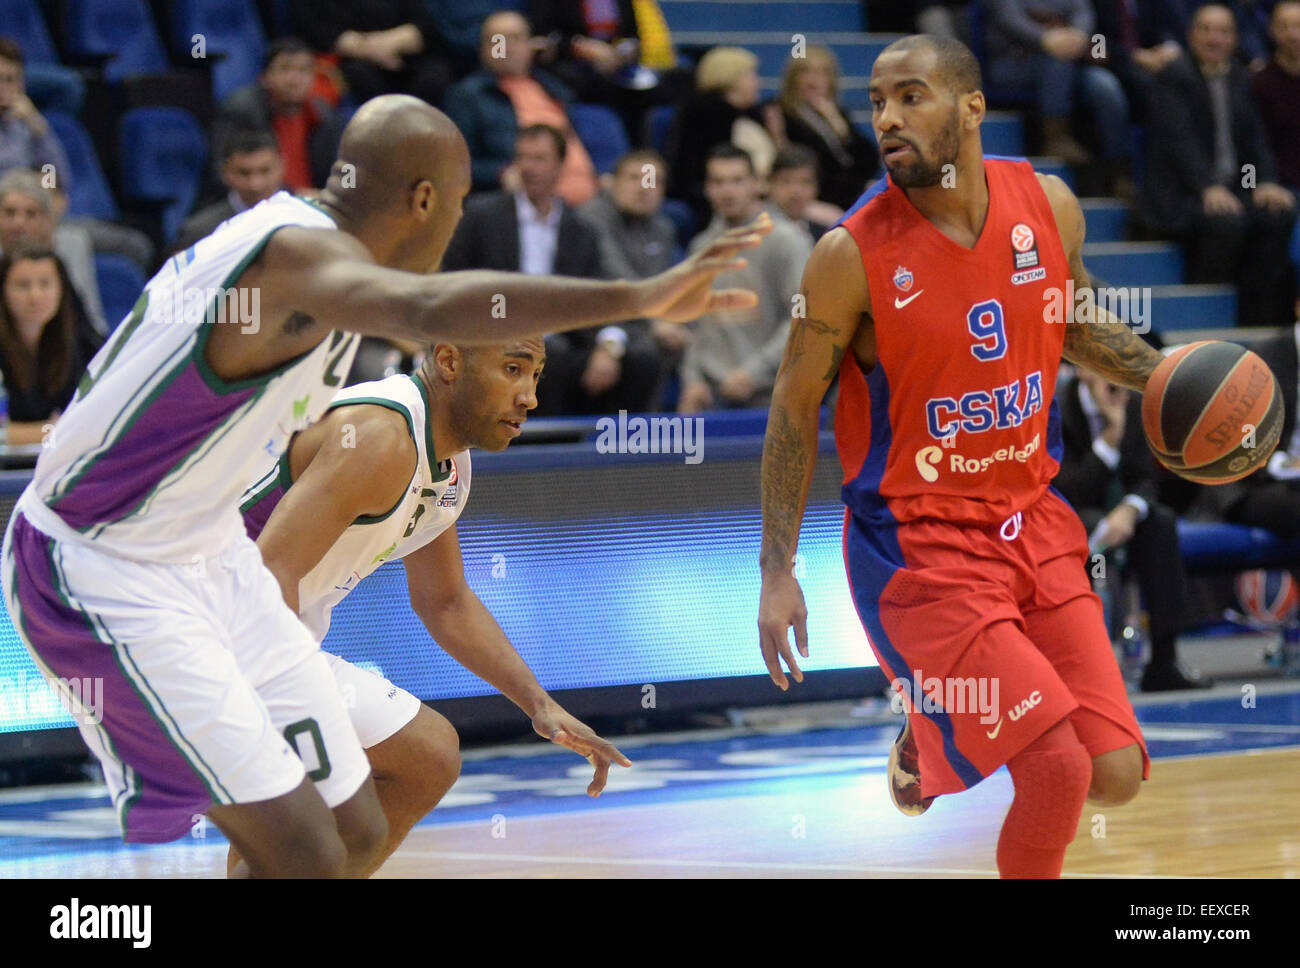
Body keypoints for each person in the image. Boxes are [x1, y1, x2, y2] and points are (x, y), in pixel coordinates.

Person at [0, 93, 771, 878]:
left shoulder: (320, 259)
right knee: (295, 848)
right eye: (463, 204)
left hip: (206, 559)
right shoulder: (298, 261)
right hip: (98, 559)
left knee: (357, 831)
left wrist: (536, 703)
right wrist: (636, 298)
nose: (461, 227)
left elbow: (443, 593)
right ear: (424, 199)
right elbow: (433, 307)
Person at [756, 36, 1155, 879]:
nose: (888, 119)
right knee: (1054, 767)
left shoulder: (1048, 204)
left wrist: (1163, 377)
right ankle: (940, 708)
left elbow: (1073, 319)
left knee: (1114, 775)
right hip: (919, 543)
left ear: (972, 107)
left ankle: (931, 726)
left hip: (1034, 517)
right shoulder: (848, 255)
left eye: (911, 97)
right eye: (876, 103)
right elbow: (793, 412)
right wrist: (776, 570)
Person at [232, 337, 625, 875]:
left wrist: (539, 703)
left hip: (257, 635)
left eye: (536, 374)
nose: (530, 396)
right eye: (513, 369)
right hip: (191, 630)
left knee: (426, 758)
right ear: (449, 361)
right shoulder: (379, 436)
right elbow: (268, 571)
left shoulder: (448, 466)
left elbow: (446, 601)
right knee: (313, 812)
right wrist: (278, 707)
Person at [442, 125, 660, 416]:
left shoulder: (580, 228)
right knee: (548, 355)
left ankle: (620, 454)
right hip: (497, 337)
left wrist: (608, 346)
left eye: (539, 159)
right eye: (523, 158)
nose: (529, 168)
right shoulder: (483, 216)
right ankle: (547, 454)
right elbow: (454, 282)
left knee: (642, 357)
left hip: (569, 340)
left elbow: (600, 295)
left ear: (560, 167)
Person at [1054, 367, 1209, 691]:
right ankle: (1083, 670)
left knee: (1161, 524)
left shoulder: (1134, 402)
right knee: (1084, 528)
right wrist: (1112, 433)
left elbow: (1146, 480)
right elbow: (1069, 489)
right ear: (1082, 370)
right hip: (1069, 513)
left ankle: (1164, 662)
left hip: (1121, 515)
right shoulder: (1055, 408)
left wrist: (1129, 510)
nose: (1112, 379)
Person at [1144, 3, 1297, 328]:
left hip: (1231, 190)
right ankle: (1206, 316)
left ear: (1235, 38)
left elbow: (1254, 139)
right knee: (1226, 223)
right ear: (1191, 35)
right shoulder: (1173, 77)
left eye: (1224, 31)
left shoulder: (1241, 77)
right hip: (1183, 193)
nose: (1215, 39)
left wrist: (1263, 181)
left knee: (1277, 215)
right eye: (1207, 30)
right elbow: (1179, 143)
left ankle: (1259, 325)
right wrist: (1206, 187)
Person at [678, 146, 811, 414]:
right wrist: (692, 381)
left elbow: (803, 318)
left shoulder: (786, 241)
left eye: (737, 181)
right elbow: (694, 326)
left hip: (774, 398)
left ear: (756, 184)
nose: (728, 191)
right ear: (707, 189)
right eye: (718, 182)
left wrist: (753, 373)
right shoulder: (700, 248)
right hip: (712, 399)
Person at [443, 11, 598, 206]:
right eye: (497, 40)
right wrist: (501, 173)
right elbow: (453, 166)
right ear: (483, 49)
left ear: (531, 46)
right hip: (526, 203)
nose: (506, 47)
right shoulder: (467, 96)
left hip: (588, 200)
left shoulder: (556, 90)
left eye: (516, 38)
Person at [985, 0, 1134, 187]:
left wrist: (1078, 35)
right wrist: (1044, 39)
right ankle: (1055, 136)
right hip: (1015, 61)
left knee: (1105, 86)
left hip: (1070, 63)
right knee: (1056, 60)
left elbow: (1083, 12)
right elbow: (1008, 18)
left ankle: (1119, 170)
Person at [211, 37, 346, 193]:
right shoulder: (241, 110)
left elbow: (338, 169)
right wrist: (294, 194)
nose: (295, 79)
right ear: (264, 77)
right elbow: (222, 172)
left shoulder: (323, 113)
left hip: (313, 205)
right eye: (285, 69)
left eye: (304, 70)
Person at [665, 47, 780, 224]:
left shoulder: (753, 115)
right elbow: (693, 175)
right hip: (718, 207)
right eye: (751, 75)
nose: (757, 82)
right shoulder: (703, 115)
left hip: (764, 197)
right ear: (731, 79)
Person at [0, 244, 102, 444]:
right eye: (22, 285)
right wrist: (49, 431)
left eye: (45, 284)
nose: (35, 296)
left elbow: (90, 420)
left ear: (62, 290)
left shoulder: (78, 341)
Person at [0, 169, 106, 335]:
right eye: (9, 213)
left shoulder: (70, 248)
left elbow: (91, 325)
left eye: (31, 214)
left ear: (48, 222)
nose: (18, 223)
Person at [778, 45, 881, 211]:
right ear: (793, 78)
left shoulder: (836, 113)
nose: (814, 81)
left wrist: (841, 128)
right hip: (817, 200)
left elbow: (870, 161)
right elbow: (819, 169)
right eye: (806, 72)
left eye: (822, 73)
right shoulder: (784, 114)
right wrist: (860, 187)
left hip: (847, 196)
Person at [174, 130, 286, 254]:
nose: (255, 184)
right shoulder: (199, 232)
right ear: (225, 172)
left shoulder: (304, 218)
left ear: (282, 166)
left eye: (265, 171)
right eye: (244, 173)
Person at [0, 38, 70, 187]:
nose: (3, 87)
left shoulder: (26, 123)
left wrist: (37, 124)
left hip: (22, 204)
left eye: (10, 79)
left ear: (21, 84)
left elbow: (54, 176)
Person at [766, 145, 840, 243]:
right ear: (770, 184)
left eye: (805, 182)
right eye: (786, 181)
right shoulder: (756, 233)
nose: (795, 192)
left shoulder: (823, 233)